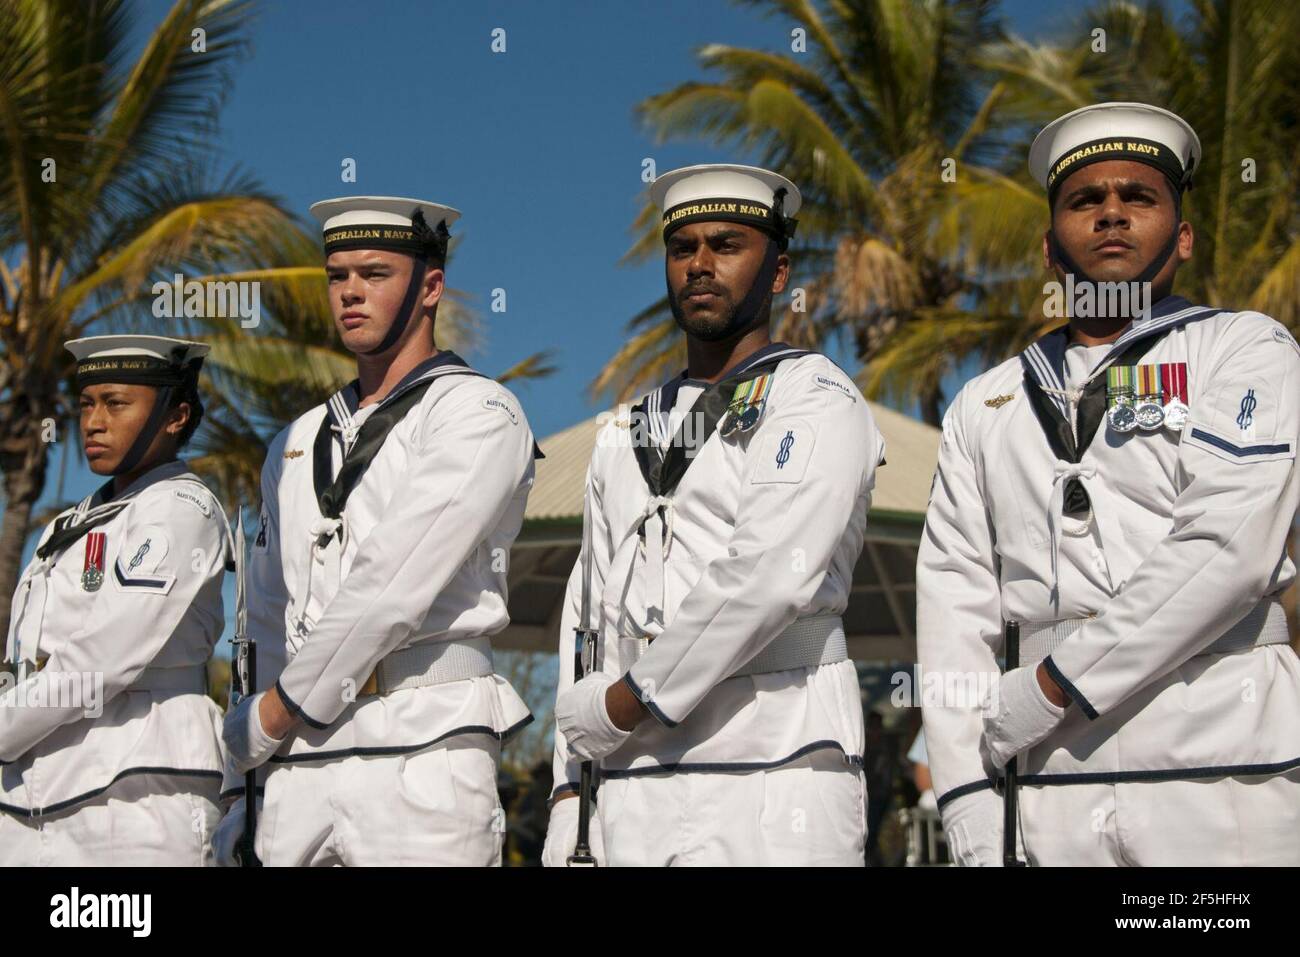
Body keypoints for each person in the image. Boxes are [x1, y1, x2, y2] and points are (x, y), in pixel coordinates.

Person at [918, 102, 1300, 865]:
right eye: (1085, 201)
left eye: (1140, 197)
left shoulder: (1245, 348)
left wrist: (1055, 686)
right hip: (1050, 783)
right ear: (1052, 247)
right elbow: (954, 610)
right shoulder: (983, 402)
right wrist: (963, 800)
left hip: (1221, 767)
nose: (1112, 215)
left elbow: (1228, 547)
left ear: (1183, 236)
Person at [543, 164, 884, 866]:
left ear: (779, 271)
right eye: (683, 247)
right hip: (631, 779)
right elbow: (589, 617)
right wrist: (567, 790)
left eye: (726, 245)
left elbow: (768, 576)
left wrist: (623, 704)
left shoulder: (815, 397)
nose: (699, 264)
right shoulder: (627, 428)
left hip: (778, 765)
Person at [217, 197, 538, 866]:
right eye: (337, 276)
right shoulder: (296, 439)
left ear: (430, 286)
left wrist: (270, 717)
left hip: (422, 744)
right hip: (300, 762)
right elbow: (267, 616)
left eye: (374, 273)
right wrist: (244, 784)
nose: (350, 292)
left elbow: (392, 585)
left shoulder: (478, 411)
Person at [0, 335, 229, 865]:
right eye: (86, 403)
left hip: (140, 796)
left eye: (116, 403)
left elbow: (99, 663)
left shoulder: (179, 508)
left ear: (175, 417)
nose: (94, 421)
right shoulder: (67, 524)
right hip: (41, 799)